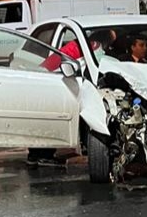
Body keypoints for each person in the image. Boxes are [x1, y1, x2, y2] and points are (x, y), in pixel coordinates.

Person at [29, 29, 116, 167]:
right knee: (54, 120)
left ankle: (36, 155)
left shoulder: (82, 43)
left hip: (48, 76)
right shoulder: (94, 46)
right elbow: (98, 64)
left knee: (49, 119)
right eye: (112, 42)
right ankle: (42, 155)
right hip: (55, 79)